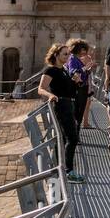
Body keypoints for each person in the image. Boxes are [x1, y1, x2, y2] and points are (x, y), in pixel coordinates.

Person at [39, 43, 84, 181]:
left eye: (68, 54)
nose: (68, 56)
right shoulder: (50, 70)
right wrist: (50, 95)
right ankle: (68, 170)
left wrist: (77, 81)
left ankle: (61, 167)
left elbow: (69, 88)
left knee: (64, 138)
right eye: (65, 54)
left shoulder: (64, 70)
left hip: (69, 104)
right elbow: (41, 88)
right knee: (72, 138)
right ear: (56, 55)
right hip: (61, 105)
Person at [66, 38, 94, 130]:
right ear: (77, 49)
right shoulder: (72, 58)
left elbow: (81, 72)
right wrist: (85, 68)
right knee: (77, 113)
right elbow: (72, 72)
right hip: (78, 89)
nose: (85, 51)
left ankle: (76, 133)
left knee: (79, 113)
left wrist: (87, 71)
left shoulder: (76, 59)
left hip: (83, 88)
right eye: (83, 49)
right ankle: (75, 134)